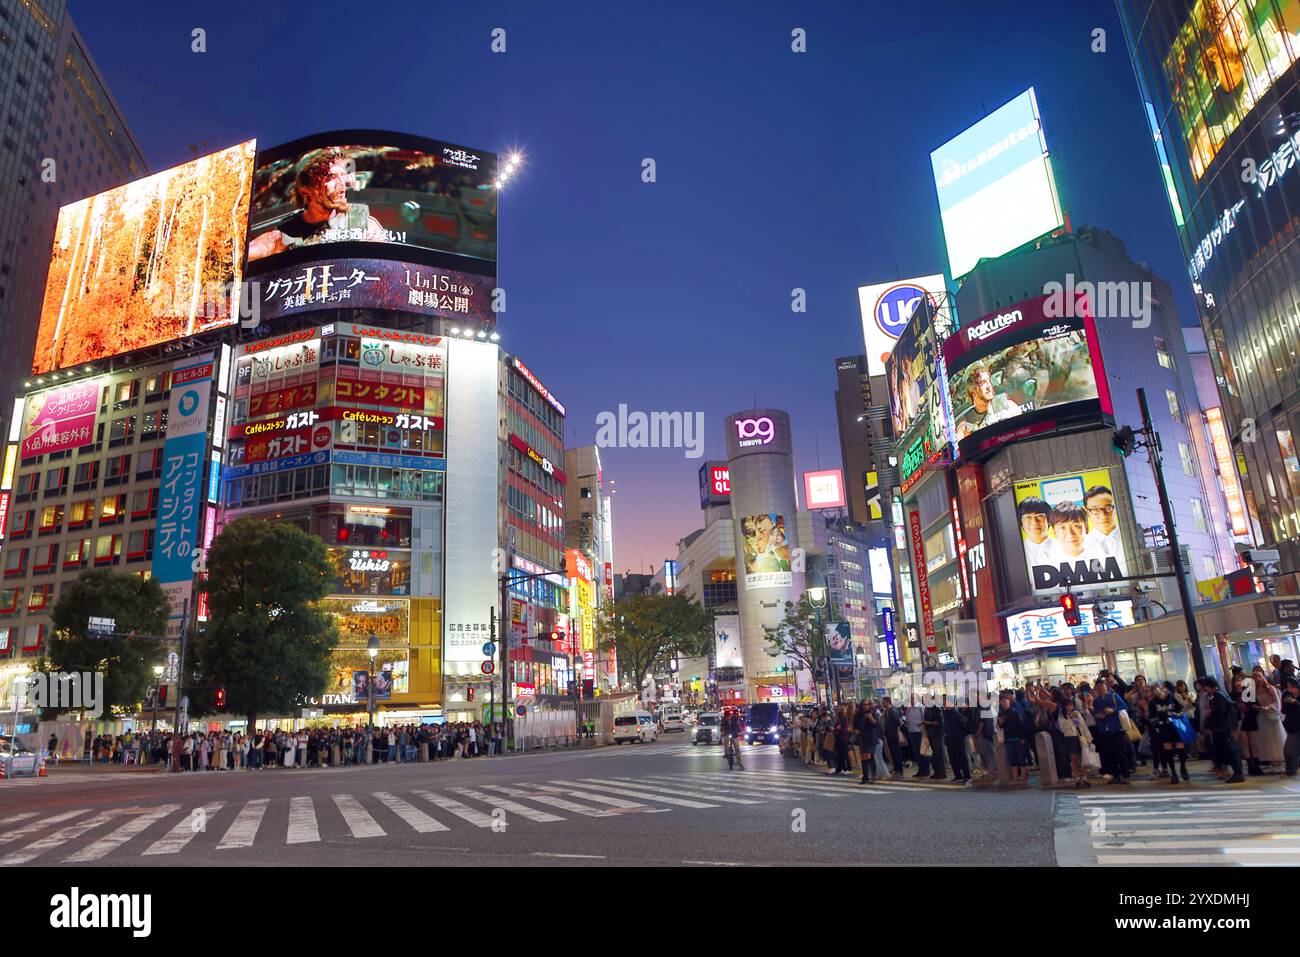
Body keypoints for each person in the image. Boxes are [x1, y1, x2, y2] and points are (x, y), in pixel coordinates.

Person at [247, 148, 385, 261]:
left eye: (342, 176)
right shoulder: (285, 235)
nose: (342, 185)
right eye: (331, 178)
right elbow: (248, 253)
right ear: (306, 193)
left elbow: (390, 266)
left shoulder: (362, 223)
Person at [1204, 676, 1245, 783]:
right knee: (1230, 750)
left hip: (1221, 727)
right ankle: (1237, 772)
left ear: (1208, 686)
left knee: (1230, 750)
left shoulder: (1217, 696)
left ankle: (1238, 773)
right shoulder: (1222, 693)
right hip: (1225, 727)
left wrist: (1210, 714)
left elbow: (1219, 712)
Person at [1148, 682, 1189, 784]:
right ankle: (1173, 772)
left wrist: (1175, 714)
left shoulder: (1171, 698)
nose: (1160, 691)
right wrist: (1156, 721)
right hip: (1163, 727)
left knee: (1180, 747)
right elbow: (1151, 717)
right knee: (1168, 749)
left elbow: (1181, 709)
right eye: (1157, 690)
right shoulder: (1153, 702)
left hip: (1175, 725)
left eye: (1162, 689)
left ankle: (1183, 767)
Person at [1091, 679, 1130, 784]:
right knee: (1110, 753)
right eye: (1098, 686)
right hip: (1104, 729)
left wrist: (1113, 710)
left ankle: (1125, 775)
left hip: (1116, 728)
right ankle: (1116, 775)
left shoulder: (1113, 696)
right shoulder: (1096, 700)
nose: (1100, 687)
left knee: (1121, 753)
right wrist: (1097, 715)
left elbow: (1125, 707)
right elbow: (1095, 712)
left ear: (1106, 686)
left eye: (1102, 685)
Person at [997, 690, 1029, 787]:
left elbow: (1022, 724)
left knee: (1021, 759)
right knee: (1013, 760)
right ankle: (1015, 778)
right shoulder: (1001, 713)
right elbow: (1000, 726)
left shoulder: (1015, 711)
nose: (1004, 702)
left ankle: (1023, 779)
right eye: (1002, 701)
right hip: (1008, 739)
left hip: (1018, 739)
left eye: (1005, 700)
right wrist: (1000, 723)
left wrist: (1023, 737)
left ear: (1009, 701)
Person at [943, 698, 971, 784]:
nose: (944, 705)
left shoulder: (956, 713)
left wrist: (961, 736)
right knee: (953, 758)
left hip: (958, 739)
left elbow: (964, 725)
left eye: (946, 703)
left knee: (961, 758)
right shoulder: (946, 713)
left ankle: (967, 776)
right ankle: (957, 776)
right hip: (949, 738)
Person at [1282, 678, 1300, 777]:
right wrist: (1286, 703)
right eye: (1288, 687)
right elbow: (1284, 711)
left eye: (1292, 687)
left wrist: (1295, 703)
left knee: (1291, 750)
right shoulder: (1287, 695)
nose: (1290, 690)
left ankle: (1292, 770)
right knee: (1288, 751)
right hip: (1293, 729)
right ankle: (1290, 771)